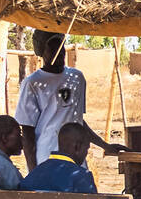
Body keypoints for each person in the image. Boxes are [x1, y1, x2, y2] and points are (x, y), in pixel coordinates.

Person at [15, 30, 125, 170]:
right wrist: (33, 171)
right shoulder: (33, 83)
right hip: (47, 158)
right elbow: (27, 132)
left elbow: (77, 121)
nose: (59, 53)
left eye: (61, 47)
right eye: (52, 49)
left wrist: (105, 146)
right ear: (41, 51)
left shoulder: (76, 78)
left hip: (76, 156)